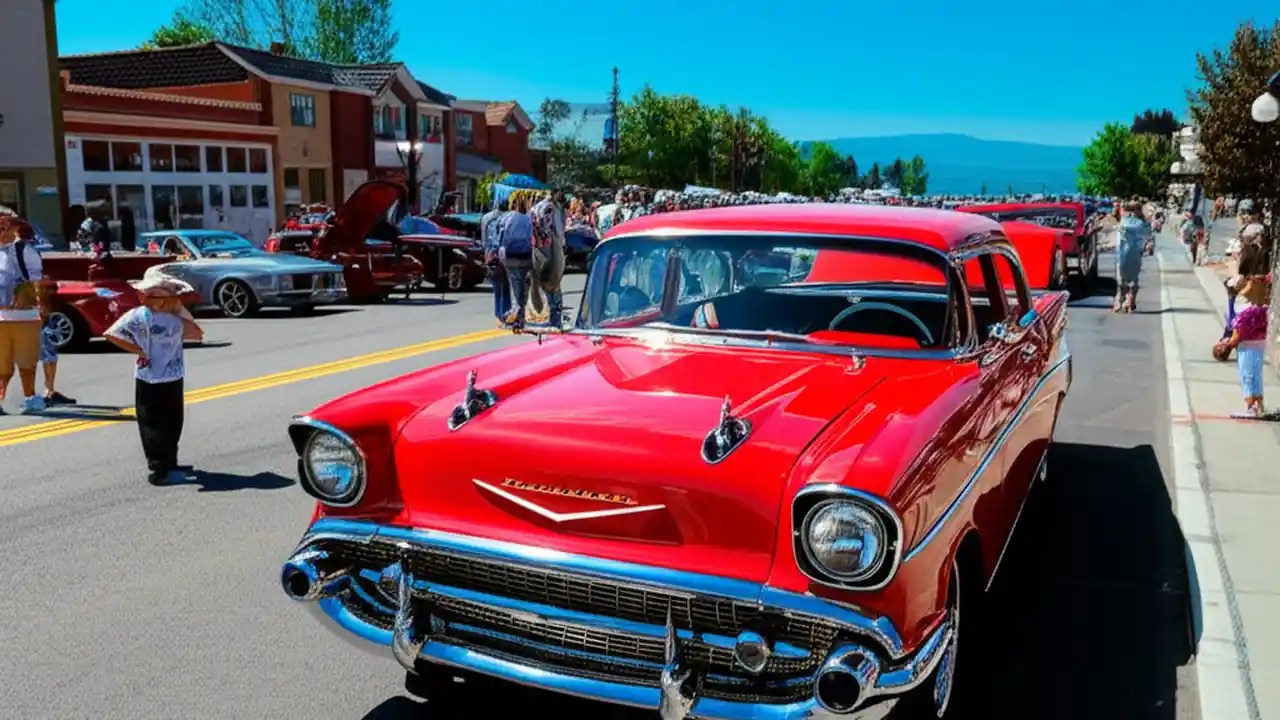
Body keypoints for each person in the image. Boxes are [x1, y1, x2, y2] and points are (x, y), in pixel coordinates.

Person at [104, 276, 203, 485]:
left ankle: (170, 462)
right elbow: (112, 334)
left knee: (172, 422)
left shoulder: (175, 318)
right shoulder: (139, 316)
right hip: (150, 376)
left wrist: (179, 311)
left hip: (172, 375)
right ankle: (159, 470)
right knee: (153, 424)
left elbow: (197, 334)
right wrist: (139, 350)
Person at [0, 213, 49, 414]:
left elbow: (38, 281)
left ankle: (30, 398)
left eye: (7, 226)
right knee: (2, 363)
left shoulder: (25, 251)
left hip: (25, 316)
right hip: (3, 318)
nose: (4, 231)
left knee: (26, 362)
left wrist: (42, 305)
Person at [1214, 275, 1270, 417]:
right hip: (1255, 340)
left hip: (1251, 342)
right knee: (1253, 374)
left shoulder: (1241, 302)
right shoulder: (1242, 300)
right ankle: (1257, 404)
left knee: (1249, 374)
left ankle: (1254, 406)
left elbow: (1240, 327)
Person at [497, 197, 534, 328]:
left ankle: (517, 316)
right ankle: (521, 314)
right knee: (524, 287)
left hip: (510, 256)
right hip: (526, 256)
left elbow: (499, 235)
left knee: (515, 286)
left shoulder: (506, 218)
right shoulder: (529, 219)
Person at [1114, 202, 1152, 313]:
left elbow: (1147, 236)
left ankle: (1125, 299)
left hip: (1128, 253)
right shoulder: (1139, 223)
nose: (1132, 213)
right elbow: (1147, 236)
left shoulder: (1134, 223)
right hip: (1129, 253)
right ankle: (1127, 299)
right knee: (1129, 278)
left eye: (1133, 210)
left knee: (1124, 278)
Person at [481, 199, 511, 326]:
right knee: (507, 285)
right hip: (505, 252)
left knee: (497, 285)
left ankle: (499, 314)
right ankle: (506, 313)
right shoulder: (509, 217)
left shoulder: (486, 218)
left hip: (491, 253)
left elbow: (483, 237)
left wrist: (486, 252)